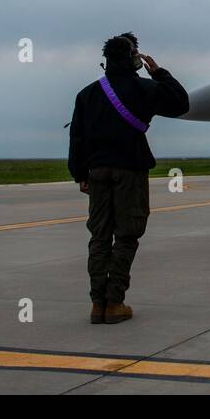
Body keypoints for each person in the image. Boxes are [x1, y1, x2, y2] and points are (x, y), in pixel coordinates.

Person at [67, 33, 189, 324]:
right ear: (135, 58)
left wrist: (80, 175)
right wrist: (159, 73)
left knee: (99, 237)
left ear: (106, 60)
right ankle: (115, 302)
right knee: (126, 235)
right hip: (129, 171)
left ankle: (98, 305)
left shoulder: (87, 94)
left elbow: (77, 139)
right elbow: (180, 102)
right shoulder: (143, 88)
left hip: (96, 172)